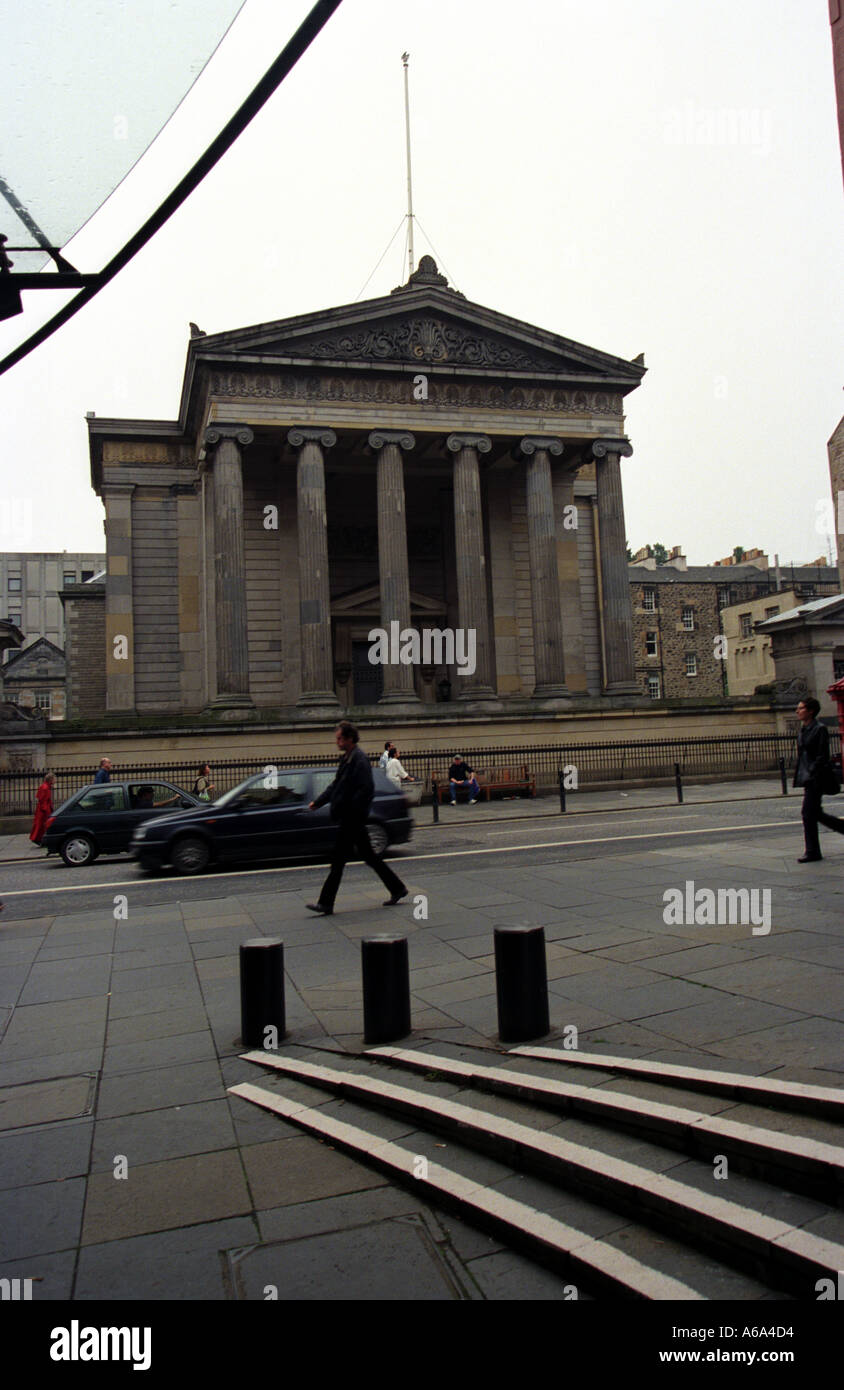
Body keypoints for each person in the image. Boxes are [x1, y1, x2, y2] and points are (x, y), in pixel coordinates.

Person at [305, 721, 408, 915]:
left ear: (349, 738)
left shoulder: (359, 760)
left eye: (340, 738)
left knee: (338, 861)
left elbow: (366, 790)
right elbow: (336, 785)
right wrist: (317, 802)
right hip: (352, 818)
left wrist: (352, 811)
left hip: (353, 818)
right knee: (369, 857)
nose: (337, 742)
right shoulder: (348, 758)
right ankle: (398, 888)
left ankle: (326, 903)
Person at [793, 697, 842, 862]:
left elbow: (822, 756)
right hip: (808, 778)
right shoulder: (804, 729)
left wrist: (812, 772)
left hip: (817, 778)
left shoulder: (819, 729)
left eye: (801, 708)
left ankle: (813, 852)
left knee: (807, 813)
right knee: (816, 814)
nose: (797, 711)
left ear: (810, 711)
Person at [29, 772, 55, 845]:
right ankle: (37, 839)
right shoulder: (45, 787)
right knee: (41, 826)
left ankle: (40, 839)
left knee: (41, 826)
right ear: (50, 779)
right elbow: (43, 800)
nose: (55, 781)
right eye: (54, 779)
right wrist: (46, 810)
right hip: (44, 810)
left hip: (44, 809)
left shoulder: (46, 786)